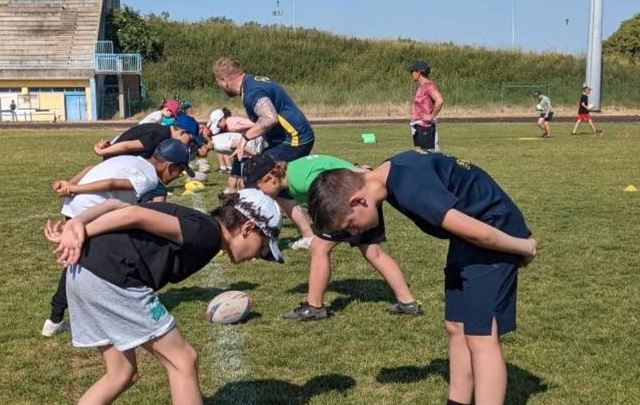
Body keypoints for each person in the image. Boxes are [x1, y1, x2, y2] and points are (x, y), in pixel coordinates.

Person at [32, 189, 284, 405]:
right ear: (247, 228)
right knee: (184, 360)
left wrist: (77, 225)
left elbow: (113, 203)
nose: (259, 256)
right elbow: (133, 214)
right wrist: (78, 234)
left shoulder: (199, 221)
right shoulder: (206, 233)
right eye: (263, 247)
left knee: (120, 373)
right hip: (114, 278)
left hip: (82, 273)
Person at [307, 149, 537, 405]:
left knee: (481, 338)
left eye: (351, 226)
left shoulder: (410, 187)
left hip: (494, 237)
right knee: (456, 327)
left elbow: (478, 231)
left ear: (358, 201)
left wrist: (522, 247)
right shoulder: (383, 175)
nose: (355, 235)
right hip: (469, 240)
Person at [244, 153, 421, 322]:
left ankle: (314, 307)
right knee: (374, 253)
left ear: (271, 177)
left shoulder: (301, 180)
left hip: (350, 205)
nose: (260, 194)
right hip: (362, 197)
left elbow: (333, 190)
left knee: (319, 248)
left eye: (258, 188)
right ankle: (407, 302)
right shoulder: (294, 171)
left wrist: (359, 173)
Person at [41, 139, 191, 337]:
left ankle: (61, 316)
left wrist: (71, 184)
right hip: (89, 210)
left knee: (79, 260)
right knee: (80, 261)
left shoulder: (133, 159)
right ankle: (56, 318)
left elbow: (90, 168)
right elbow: (112, 183)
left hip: (76, 205)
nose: (179, 175)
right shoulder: (150, 178)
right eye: (180, 170)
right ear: (169, 165)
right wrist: (74, 188)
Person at [212, 57, 316, 248]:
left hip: (293, 139)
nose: (221, 87)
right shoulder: (252, 83)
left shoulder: (252, 91)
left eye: (219, 83)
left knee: (254, 179)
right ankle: (309, 236)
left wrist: (245, 138)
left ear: (224, 80)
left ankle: (251, 238)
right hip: (292, 137)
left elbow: (269, 118)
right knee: (280, 189)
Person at [93, 114, 205, 160]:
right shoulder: (159, 134)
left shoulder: (162, 132)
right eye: (190, 140)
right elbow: (126, 146)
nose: (188, 145)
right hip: (115, 164)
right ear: (182, 132)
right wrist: (101, 152)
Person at [409, 61, 444, 151]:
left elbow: (439, 101)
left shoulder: (429, 86)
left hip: (426, 128)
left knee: (430, 156)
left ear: (418, 72)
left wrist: (431, 116)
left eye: (412, 71)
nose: (411, 74)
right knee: (420, 156)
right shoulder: (422, 86)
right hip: (419, 126)